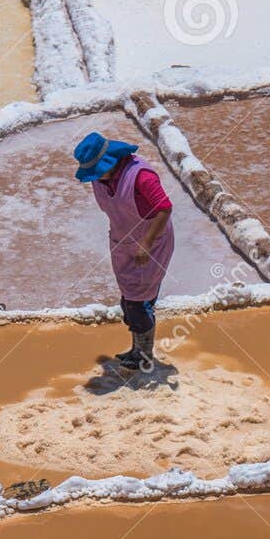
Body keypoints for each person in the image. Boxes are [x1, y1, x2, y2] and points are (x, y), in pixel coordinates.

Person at [73, 131, 174, 370]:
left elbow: (165, 208)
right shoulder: (102, 179)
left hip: (151, 243)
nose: (95, 179)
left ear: (111, 161)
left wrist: (147, 244)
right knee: (128, 302)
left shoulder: (142, 177)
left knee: (138, 303)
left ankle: (144, 356)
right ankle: (137, 349)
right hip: (122, 241)